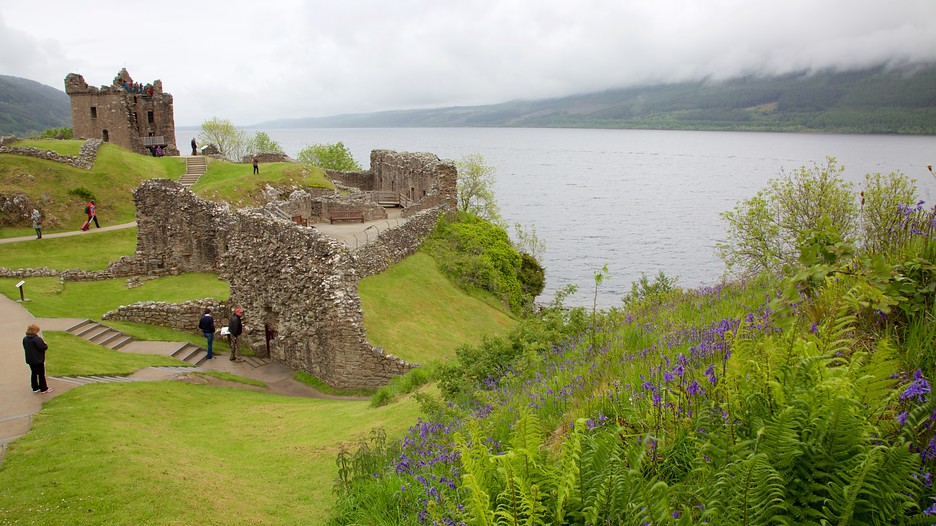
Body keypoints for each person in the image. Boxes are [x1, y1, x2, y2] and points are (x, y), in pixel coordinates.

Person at [23, 324, 53, 394]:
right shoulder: (37, 339)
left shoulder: (25, 338)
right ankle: (44, 388)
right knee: (41, 374)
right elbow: (43, 347)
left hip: (30, 359)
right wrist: (45, 344)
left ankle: (35, 388)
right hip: (38, 360)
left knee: (34, 373)